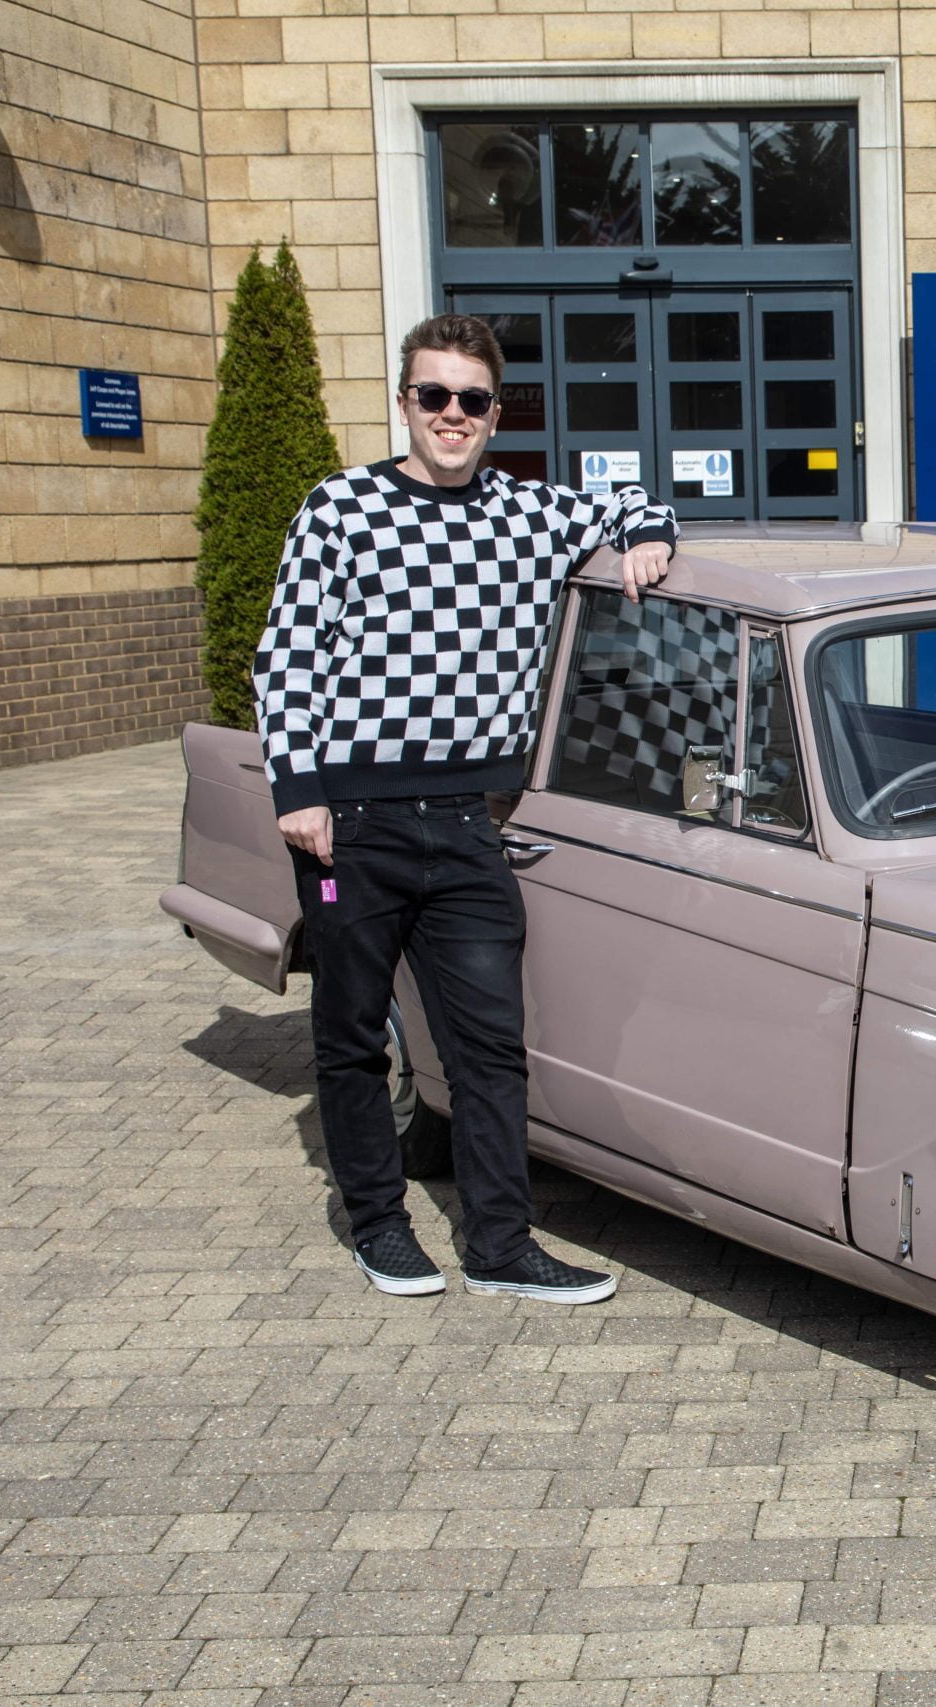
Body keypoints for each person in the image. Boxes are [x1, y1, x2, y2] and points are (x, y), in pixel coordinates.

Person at [253, 313, 679, 1304]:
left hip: (464, 823)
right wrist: (299, 793)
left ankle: (498, 1243)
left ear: (496, 410)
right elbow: (287, 656)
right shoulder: (341, 508)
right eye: (433, 395)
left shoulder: (527, 514)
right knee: (353, 1033)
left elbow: (628, 498)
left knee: (490, 1046)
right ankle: (379, 1229)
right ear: (404, 401)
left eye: (472, 400)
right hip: (349, 825)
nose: (452, 415)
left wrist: (648, 529)